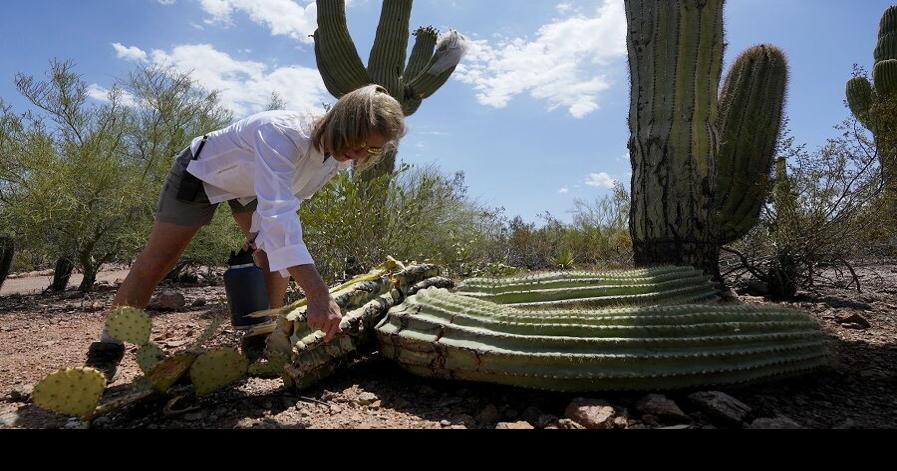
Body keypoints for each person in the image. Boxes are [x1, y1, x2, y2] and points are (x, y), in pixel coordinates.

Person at [84, 85, 406, 380]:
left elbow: (287, 205)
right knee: (158, 261)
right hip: (203, 173)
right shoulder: (282, 133)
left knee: (274, 257)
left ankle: (259, 341)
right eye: (360, 141)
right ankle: (108, 349)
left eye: (372, 150)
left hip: (252, 188)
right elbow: (280, 215)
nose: (361, 154)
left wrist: (260, 229)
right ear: (343, 121)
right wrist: (317, 294)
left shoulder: (336, 156)